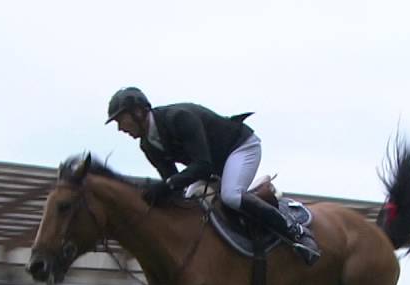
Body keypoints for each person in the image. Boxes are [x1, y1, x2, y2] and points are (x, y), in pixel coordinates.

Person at [105, 86, 320, 265]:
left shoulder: (178, 118)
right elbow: (174, 185)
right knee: (189, 204)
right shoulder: (148, 146)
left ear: (138, 112)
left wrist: (166, 186)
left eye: (120, 120)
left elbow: (202, 166)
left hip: (240, 147)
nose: (120, 128)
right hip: (212, 165)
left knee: (231, 196)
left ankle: (297, 232)